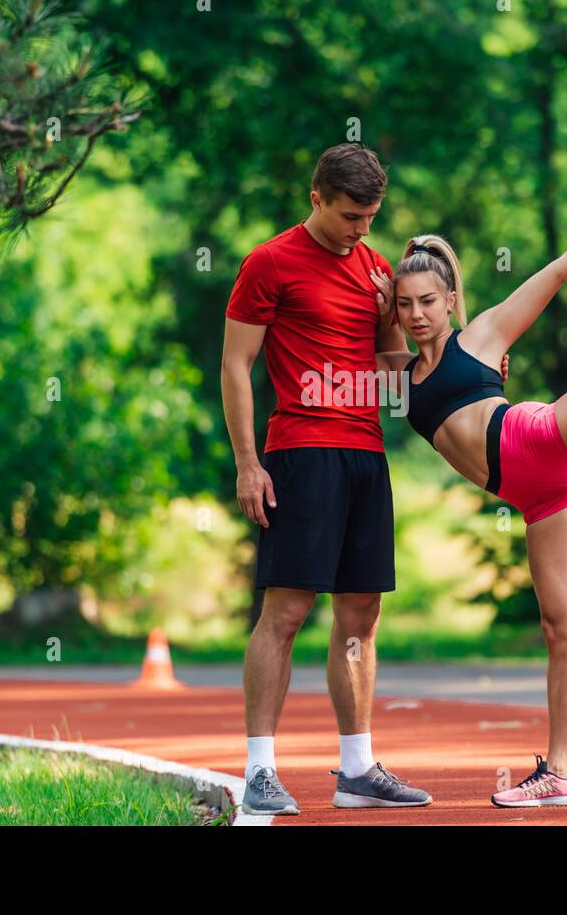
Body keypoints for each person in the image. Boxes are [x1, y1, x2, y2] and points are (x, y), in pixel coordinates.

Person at [370, 170, 567, 807]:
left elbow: (553, 278)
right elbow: (377, 324)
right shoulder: (399, 373)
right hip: (541, 495)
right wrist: (389, 279)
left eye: (428, 300)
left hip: (538, 442)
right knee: (562, 629)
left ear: (450, 301)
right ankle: (563, 774)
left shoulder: (479, 341)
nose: (417, 314)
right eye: (406, 303)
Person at [221, 143, 434, 814]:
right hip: (301, 451)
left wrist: (454, 365)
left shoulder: (376, 268)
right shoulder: (269, 262)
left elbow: (390, 367)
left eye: (370, 217)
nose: (362, 230)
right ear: (316, 198)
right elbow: (235, 365)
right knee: (284, 610)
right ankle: (259, 769)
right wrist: (248, 461)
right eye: (350, 216)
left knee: (361, 616)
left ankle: (357, 769)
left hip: (365, 454)